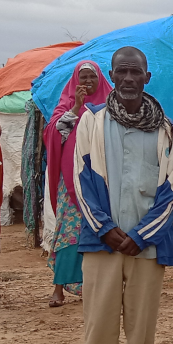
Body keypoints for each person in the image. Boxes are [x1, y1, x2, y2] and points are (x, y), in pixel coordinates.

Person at [66, 47, 173, 344]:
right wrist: (106, 229)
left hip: (147, 244)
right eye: (122, 72)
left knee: (141, 321)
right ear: (112, 77)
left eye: (136, 72)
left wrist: (140, 234)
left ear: (147, 77)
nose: (129, 79)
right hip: (102, 241)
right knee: (98, 321)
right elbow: (81, 181)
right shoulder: (92, 122)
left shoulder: (166, 129)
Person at [43, 61, 112, 307]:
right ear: (75, 81)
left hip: (102, 179)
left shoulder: (112, 103)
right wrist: (76, 107)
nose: (87, 82)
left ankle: (96, 286)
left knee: (101, 228)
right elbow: (53, 134)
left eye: (91, 78)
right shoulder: (66, 105)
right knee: (68, 230)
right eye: (83, 78)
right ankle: (59, 287)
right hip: (71, 179)